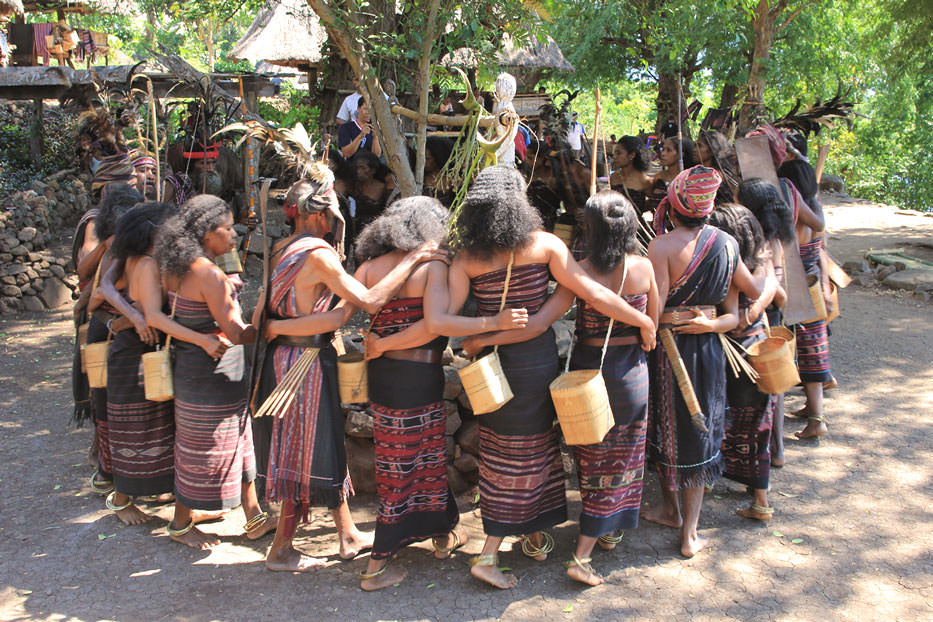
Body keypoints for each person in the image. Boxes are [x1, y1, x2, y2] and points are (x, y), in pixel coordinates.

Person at [437, 166, 655, 589]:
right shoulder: (546, 245)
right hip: (534, 368)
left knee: (503, 457)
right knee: (531, 456)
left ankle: (534, 537)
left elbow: (442, 321)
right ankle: (487, 555)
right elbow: (588, 296)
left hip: (493, 374)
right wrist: (642, 321)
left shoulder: (465, 258)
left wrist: (487, 330)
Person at [256, 169, 451, 573]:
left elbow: (330, 317)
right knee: (303, 450)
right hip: (303, 363)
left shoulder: (282, 249)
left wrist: (277, 329)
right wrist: (415, 257)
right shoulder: (318, 254)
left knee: (322, 443)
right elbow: (369, 300)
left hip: (290, 356)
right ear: (322, 211)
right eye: (337, 206)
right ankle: (280, 549)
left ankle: (347, 534)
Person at [349, 197, 527, 589]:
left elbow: (360, 315)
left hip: (382, 376)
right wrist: (494, 320)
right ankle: (378, 564)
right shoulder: (432, 267)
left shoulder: (367, 268)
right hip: (417, 375)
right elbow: (433, 327)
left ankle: (443, 533)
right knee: (415, 460)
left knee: (407, 458)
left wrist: (381, 344)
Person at [642, 165, 759, 558]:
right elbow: (735, 314)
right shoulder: (727, 243)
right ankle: (684, 523)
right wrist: (709, 325)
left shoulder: (661, 247)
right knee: (700, 429)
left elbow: (654, 310)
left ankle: (676, 517)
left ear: (673, 208)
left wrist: (672, 321)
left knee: (669, 426)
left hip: (670, 350)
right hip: (708, 352)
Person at [153, 195, 273, 549]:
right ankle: (180, 523)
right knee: (204, 447)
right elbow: (237, 334)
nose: (234, 234)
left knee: (237, 436)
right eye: (226, 228)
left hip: (193, 368)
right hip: (213, 371)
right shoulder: (208, 274)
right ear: (206, 233)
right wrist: (267, 319)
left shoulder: (176, 265)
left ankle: (254, 515)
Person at [94, 202, 178, 524]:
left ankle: (157, 487)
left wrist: (131, 315)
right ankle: (121, 499)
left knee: (150, 427)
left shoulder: (138, 259)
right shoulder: (140, 263)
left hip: (138, 351)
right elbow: (109, 291)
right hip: (134, 354)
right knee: (133, 430)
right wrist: (133, 316)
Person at [750, 125, 829, 440]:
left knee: (777, 342)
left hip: (780, 270)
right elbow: (819, 223)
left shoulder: (760, 189)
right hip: (800, 268)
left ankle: (807, 421)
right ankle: (814, 413)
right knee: (810, 344)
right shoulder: (789, 188)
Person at [709, 204, 783, 521]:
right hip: (758, 347)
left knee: (726, 418)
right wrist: (755, 311)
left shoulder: (727, 267)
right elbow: (776, 295)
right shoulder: (762, 263)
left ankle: (712, 481)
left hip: (734, 353)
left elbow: (733, 316)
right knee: (758, 423)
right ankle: (760, 500)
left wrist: (746, 313)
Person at [82, 184, 146, 494]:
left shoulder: (133, 244)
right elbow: (100, 292)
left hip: (116, 328)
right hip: (105, 331)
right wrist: (131, 316)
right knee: (106, 404)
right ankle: (108, 472)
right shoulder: (115, 245)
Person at [736, 178, 797, 466]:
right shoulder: (754, 237)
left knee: (772, 384)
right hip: (754, 313)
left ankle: (776, 447)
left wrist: (760, 295)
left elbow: (780, 295)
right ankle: (770, 449)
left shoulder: (770, 242)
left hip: (764, 320)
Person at [349, 151, 395, 233]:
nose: (359, 171)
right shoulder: (354, 186)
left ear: (373, 170)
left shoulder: (382, 187)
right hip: (355, 230)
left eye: (363, 168)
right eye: (357, 168)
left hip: (375, 230)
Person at [609, 136, 654, 213]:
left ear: (632, 155)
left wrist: (638, 210)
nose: (614, 156)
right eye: (614, 153)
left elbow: (653, 203)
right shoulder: (614, 177)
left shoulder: (645, 181)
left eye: (619, 153)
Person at [696, 130, 739, 204]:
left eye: (699, 146)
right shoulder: (698, 171)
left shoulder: (718, 176)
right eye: (695, 145)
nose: (694, 149)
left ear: (712, 149)